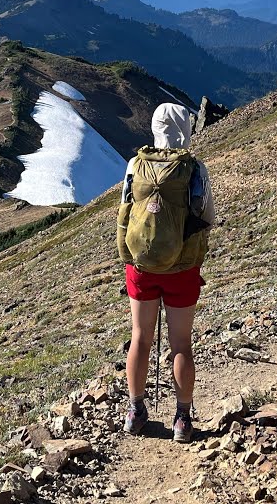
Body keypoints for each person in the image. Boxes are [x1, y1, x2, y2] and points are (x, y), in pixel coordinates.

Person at [117, 102, 215, 443]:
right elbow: (208, 216)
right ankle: (182, 419)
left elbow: (126, 210)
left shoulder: (136, 164)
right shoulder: (195, 168)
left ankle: (135, 412)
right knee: (181, 344)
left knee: (140, 337)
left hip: (141, 265)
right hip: (183, 268)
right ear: (185, 129)